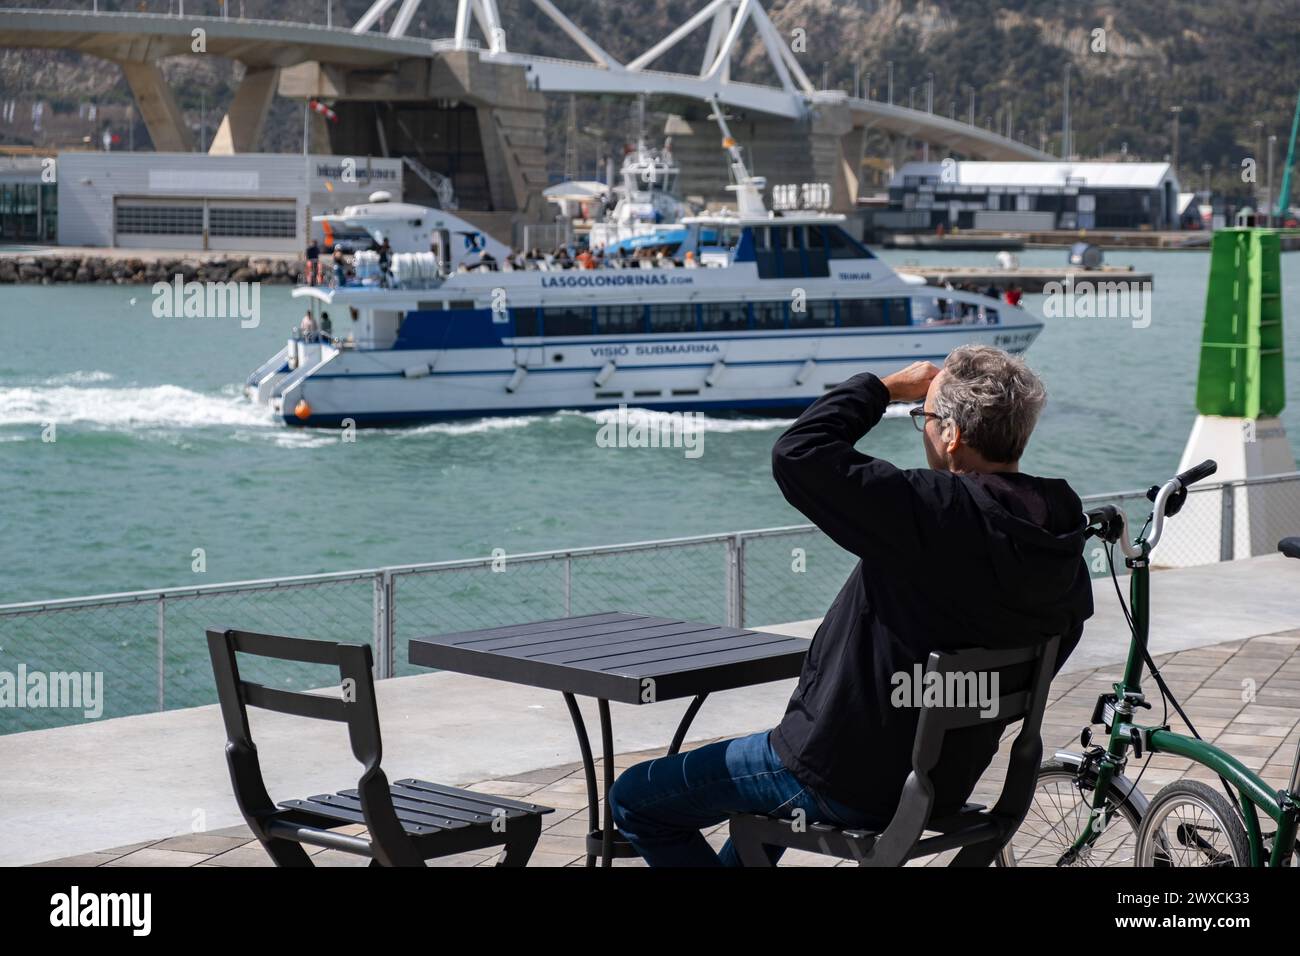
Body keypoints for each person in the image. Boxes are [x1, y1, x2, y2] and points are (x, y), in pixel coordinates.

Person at [609, 347, 1094, 866]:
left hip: (836, 773)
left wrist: (884, 388)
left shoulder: (931, 510)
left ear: (951, 434)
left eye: (924, 420)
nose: (924, 430)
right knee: (761, 824)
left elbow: (798, 452)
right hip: (939, 786)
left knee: (635, 799)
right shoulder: (1060, 535)